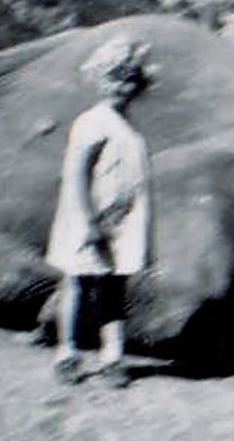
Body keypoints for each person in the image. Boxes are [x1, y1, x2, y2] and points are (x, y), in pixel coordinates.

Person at [45, 38, 155, 388]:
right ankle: (67, 352)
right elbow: (77, 172)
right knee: (76, 282)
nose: (122, 88)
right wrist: (87, 219)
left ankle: (113, 356)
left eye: (129, 81)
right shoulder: (92, 122)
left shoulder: (129, 127)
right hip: (90, 215)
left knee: (113, 287)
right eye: (114, 79)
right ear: (100, 80)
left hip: (120, 220)